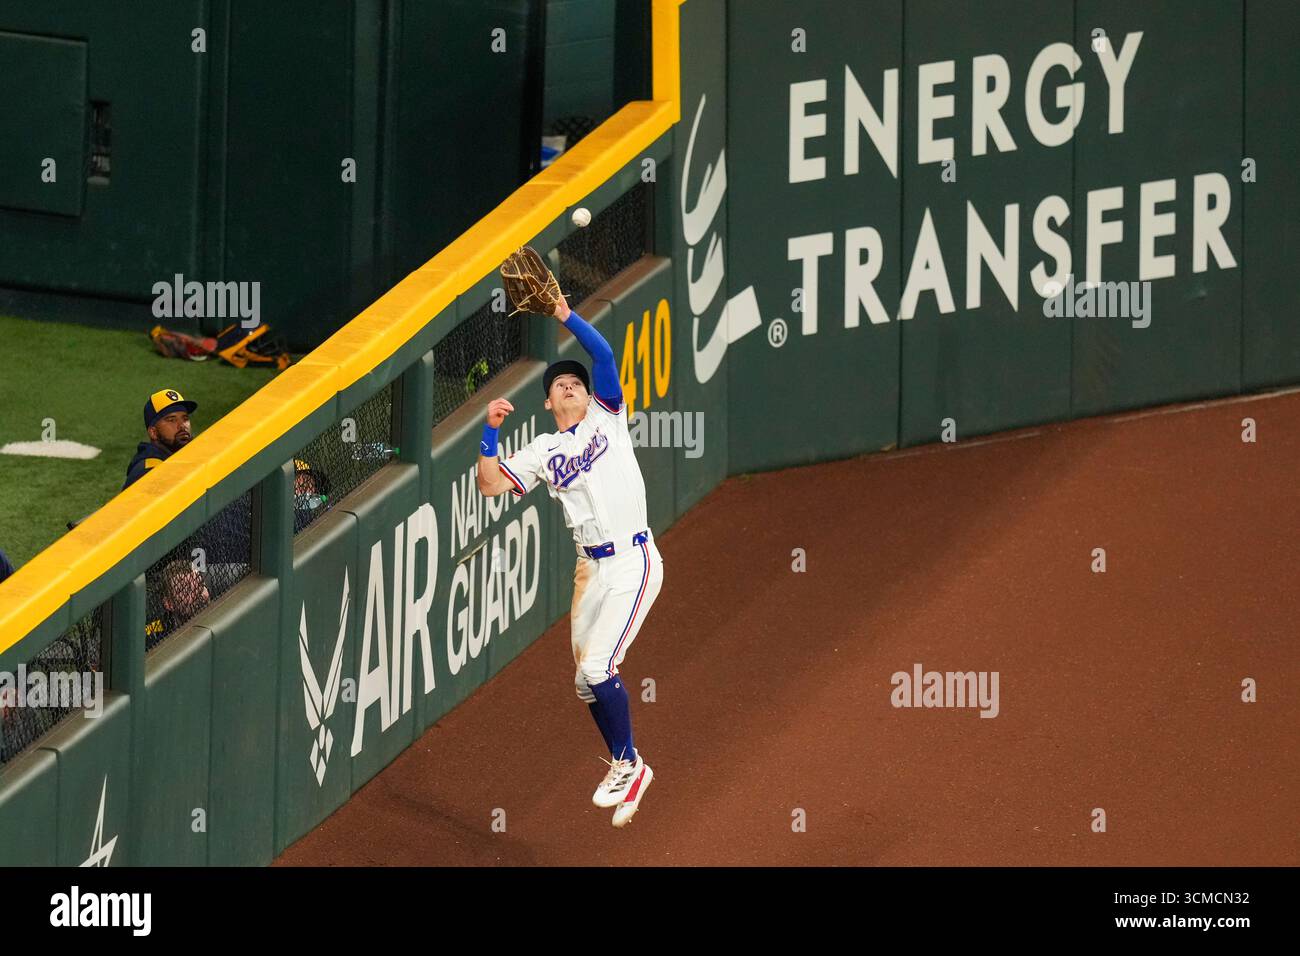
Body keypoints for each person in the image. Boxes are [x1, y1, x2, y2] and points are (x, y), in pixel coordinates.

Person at [476, 292, 664, 828]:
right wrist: (489, 430)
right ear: (548, 403)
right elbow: (489, 484)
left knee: (599, 667)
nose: (570, 385)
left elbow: (603, 356)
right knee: (585, 681)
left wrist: (562, 313)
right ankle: (626, 765)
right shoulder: (540, 450)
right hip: (592, 571)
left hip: (634, 561)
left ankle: (631, 765)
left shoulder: (608, 416)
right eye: (560, 383)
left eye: (575, 382)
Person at [124, 389, 198, 489]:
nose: (182, 426)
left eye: (185, 418)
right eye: (171, 420)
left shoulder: (186, 454)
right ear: (153, 433)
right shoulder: (149, 473)